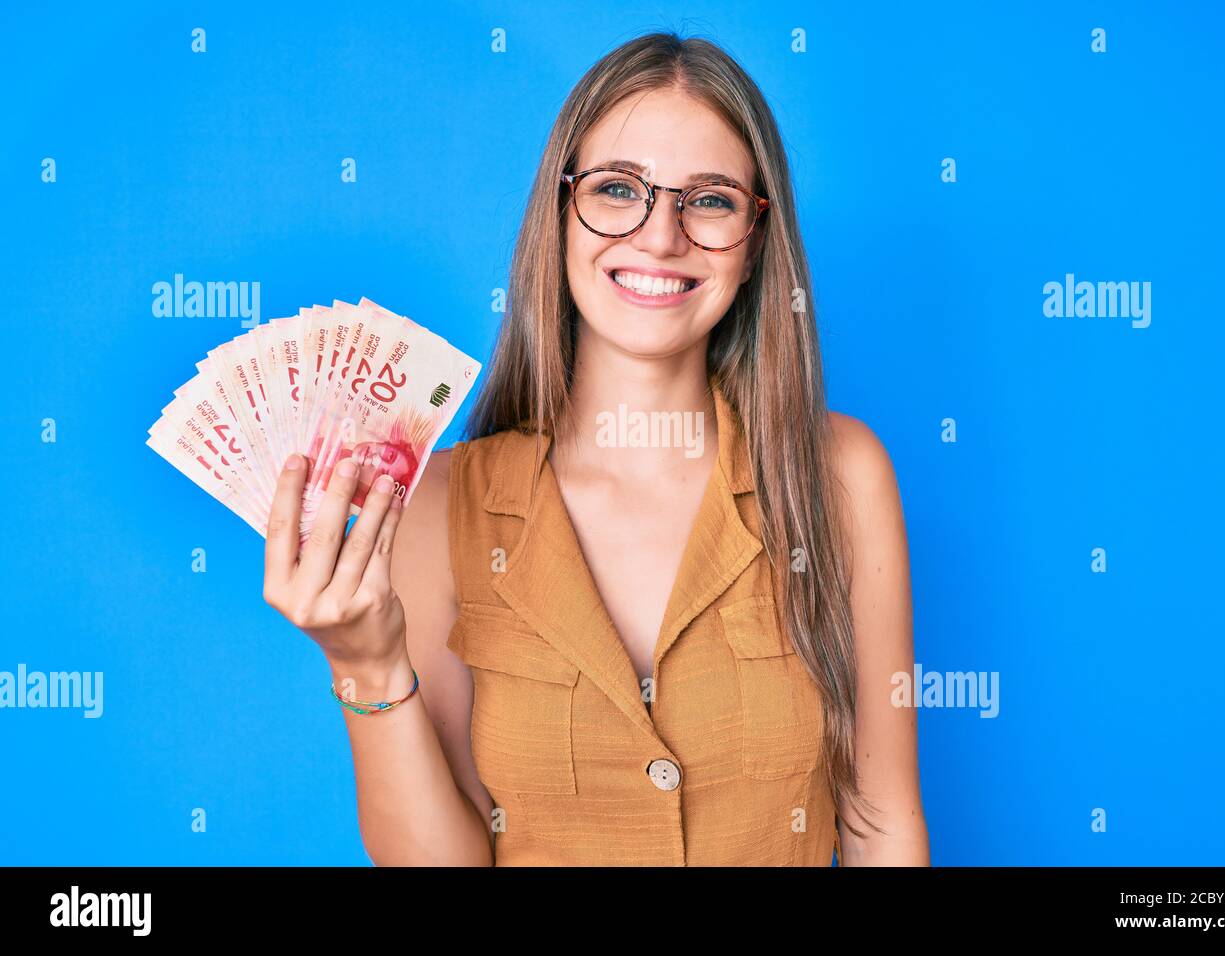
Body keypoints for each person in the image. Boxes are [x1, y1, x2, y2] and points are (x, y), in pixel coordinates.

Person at [262, 31, 928, 866]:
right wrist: (365, 667)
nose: (660, 236)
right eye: (619, 190)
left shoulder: (837, 474)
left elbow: (882, 826)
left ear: (758, 241)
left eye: (710, 199)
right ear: (561, 210)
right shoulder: (438, 505)